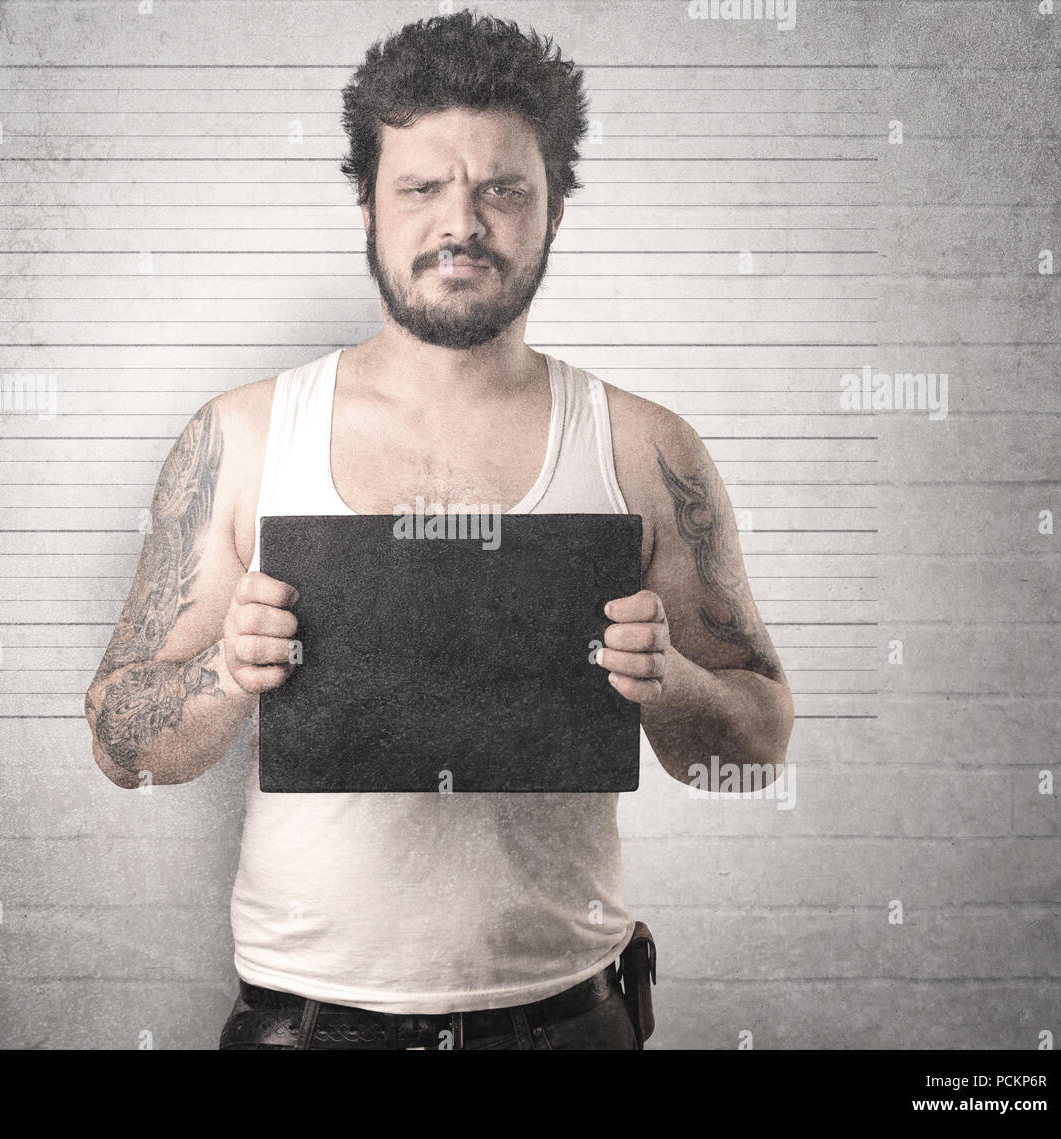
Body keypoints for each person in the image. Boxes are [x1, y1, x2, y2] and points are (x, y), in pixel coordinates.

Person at [84, 9, 794, 1050]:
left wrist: (671, 682)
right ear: (367, 201)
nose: (460, 222)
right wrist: (227, 673)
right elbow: (118, 743)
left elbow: (761, 740)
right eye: (420, 187)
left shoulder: (645, 448)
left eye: (503, 188)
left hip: (569, 1018)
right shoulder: (239, 436)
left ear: (554, 209)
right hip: (307, 1023)